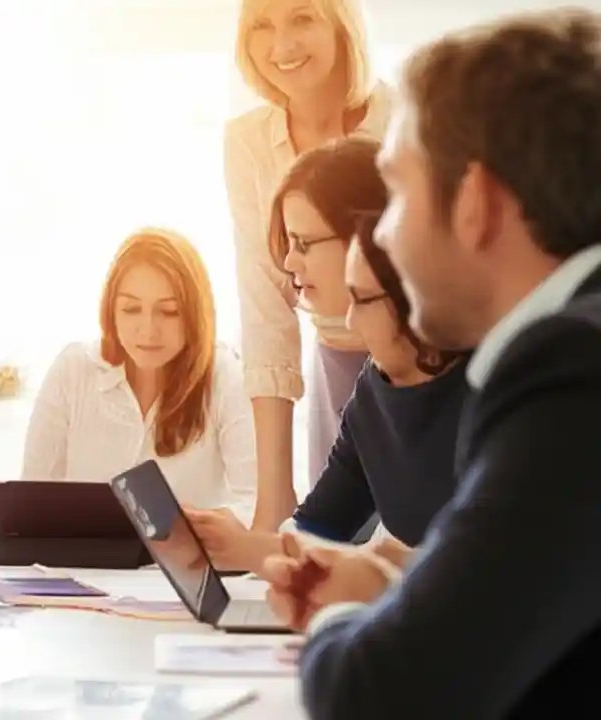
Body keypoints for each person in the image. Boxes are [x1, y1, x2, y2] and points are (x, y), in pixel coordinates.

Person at [258, 10, 601, 718]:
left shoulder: (571, 371)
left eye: (397, 194)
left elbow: (377, 695)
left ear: (474, 204)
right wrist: (400, 589)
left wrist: (341, 614)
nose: (380, 238)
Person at [187, 138, 469, 571]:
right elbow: (317, 528)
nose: (289, 262)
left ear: (371, 237)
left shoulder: (489, 376)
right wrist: (236, 546)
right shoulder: (374, 389)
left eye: (303, 243)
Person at [224, 0, 394, 525]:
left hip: (423, 366)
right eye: (262, 26)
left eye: (302, 18)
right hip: (335, 362)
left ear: (341, 23)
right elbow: (265, 311)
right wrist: (273, 498)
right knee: (326, 536)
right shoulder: (248, 141)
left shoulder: (407, 122)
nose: (281, 46)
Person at [22, 229, 258, 523]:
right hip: (83, 553)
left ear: (195, 314)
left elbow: (256, 504)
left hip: (187, 553)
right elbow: (32, 498)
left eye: (169, 311)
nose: (148, 330)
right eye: (131, 309)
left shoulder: (225, 377)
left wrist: (192, 527)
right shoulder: (73, 369)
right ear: (111, 310)